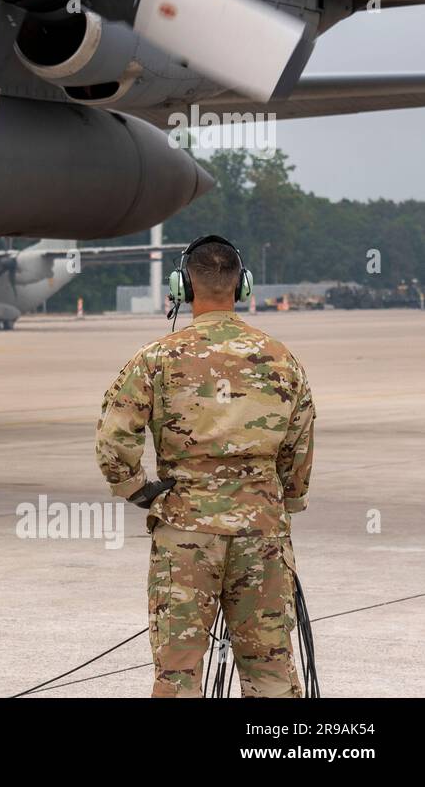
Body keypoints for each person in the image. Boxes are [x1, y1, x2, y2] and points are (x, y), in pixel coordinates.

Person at [95, 236, 314, 697]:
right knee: (270, 672)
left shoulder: (157, 358)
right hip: (262, 535)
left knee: (177, 676)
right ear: (243, 287)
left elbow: (115, 439)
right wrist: (284, 501)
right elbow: (299, 444)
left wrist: (137, 489)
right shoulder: (282, 359)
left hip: (186, 533)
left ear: (183, 288)